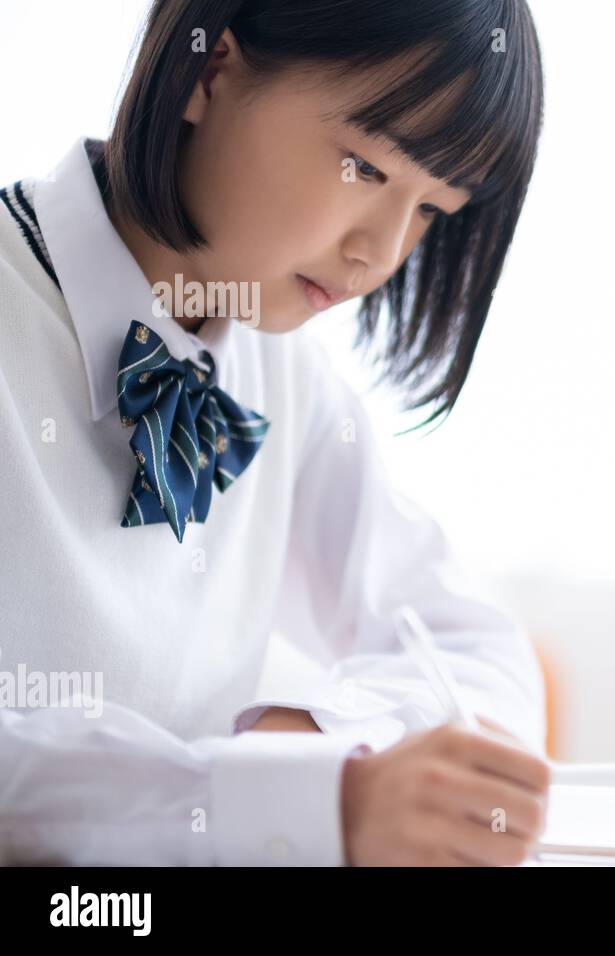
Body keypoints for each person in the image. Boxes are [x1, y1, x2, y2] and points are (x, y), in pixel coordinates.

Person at [0, 0, 552, 866]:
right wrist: (283, 801)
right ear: (211, 70)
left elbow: (479, 651)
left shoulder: (286, 382)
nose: (381, 252)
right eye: (364, 168)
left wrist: (319, 751)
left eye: (432, 212)